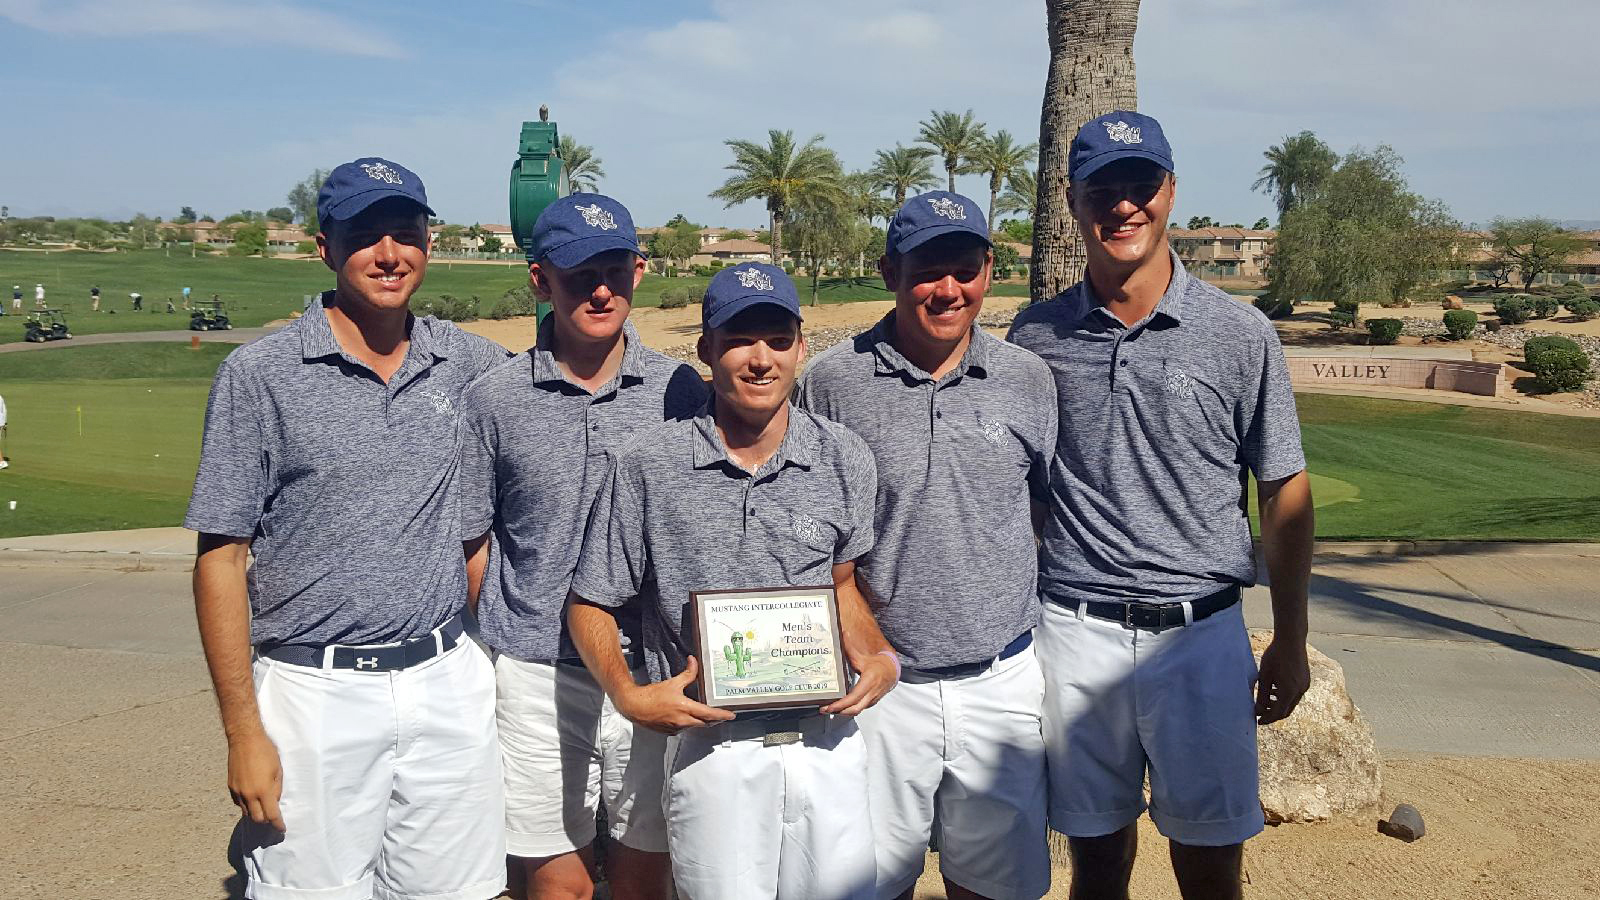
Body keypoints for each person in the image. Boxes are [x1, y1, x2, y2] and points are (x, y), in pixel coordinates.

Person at [185, 157, 512, 900]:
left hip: (445, 681)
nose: (389, 253)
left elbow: (560, 395)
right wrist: (243, 733)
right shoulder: (261, 373)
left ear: (429, 243)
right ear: (326, 247)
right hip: (312, 692)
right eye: (365, 235)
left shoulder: (465, 361)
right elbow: (220, 558)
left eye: (406, 233)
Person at [1007, 111, 1315, 900]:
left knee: (1210, 865)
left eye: (1140, 185)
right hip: (1075, 632)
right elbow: (1026, 489)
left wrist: (1290, 638)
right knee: (1097, 859)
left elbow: (1283, 487)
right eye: (1102, 188)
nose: (1123, 205)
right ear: (1072, 200)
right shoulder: (1036, 334)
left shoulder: (1240, 333)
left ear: (1170, 191)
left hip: (1202, 635)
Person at [568, 263, 898, 900]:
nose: (760, 360)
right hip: (712, 747)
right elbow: (590, 600)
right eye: (739, 340)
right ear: (706, 352)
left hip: (826, 740)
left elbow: (843, 586)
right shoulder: (648, 463)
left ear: (802, 347)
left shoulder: (843, 454)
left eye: (777, 340)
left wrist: (879, 658)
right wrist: (627, 695)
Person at [796, 191, 1058, 900]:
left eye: (964, 268)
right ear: (890, 272)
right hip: (880, 686)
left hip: (1001, 679)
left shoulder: (1027, 379)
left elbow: (1039, 505)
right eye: (926, 270)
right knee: (875, 885)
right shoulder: (832, 382)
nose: (948, 289)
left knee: (996, 887)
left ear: (989, 270)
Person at [457, 192, 706, 900]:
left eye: (615, 271)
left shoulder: (680, 389)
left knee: (643, 872)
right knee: (556, 880)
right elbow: (477, 540)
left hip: (655, 665)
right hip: (538, 676)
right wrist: (521, 626)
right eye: (577, 275)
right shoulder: (495, 398)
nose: (600, 290)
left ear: (639, 271)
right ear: (540, 280)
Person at [0, 391, 9, 469]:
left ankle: (2, 462)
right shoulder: (0, 397)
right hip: (1, 422)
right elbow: (5, 410)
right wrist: (5, 423)